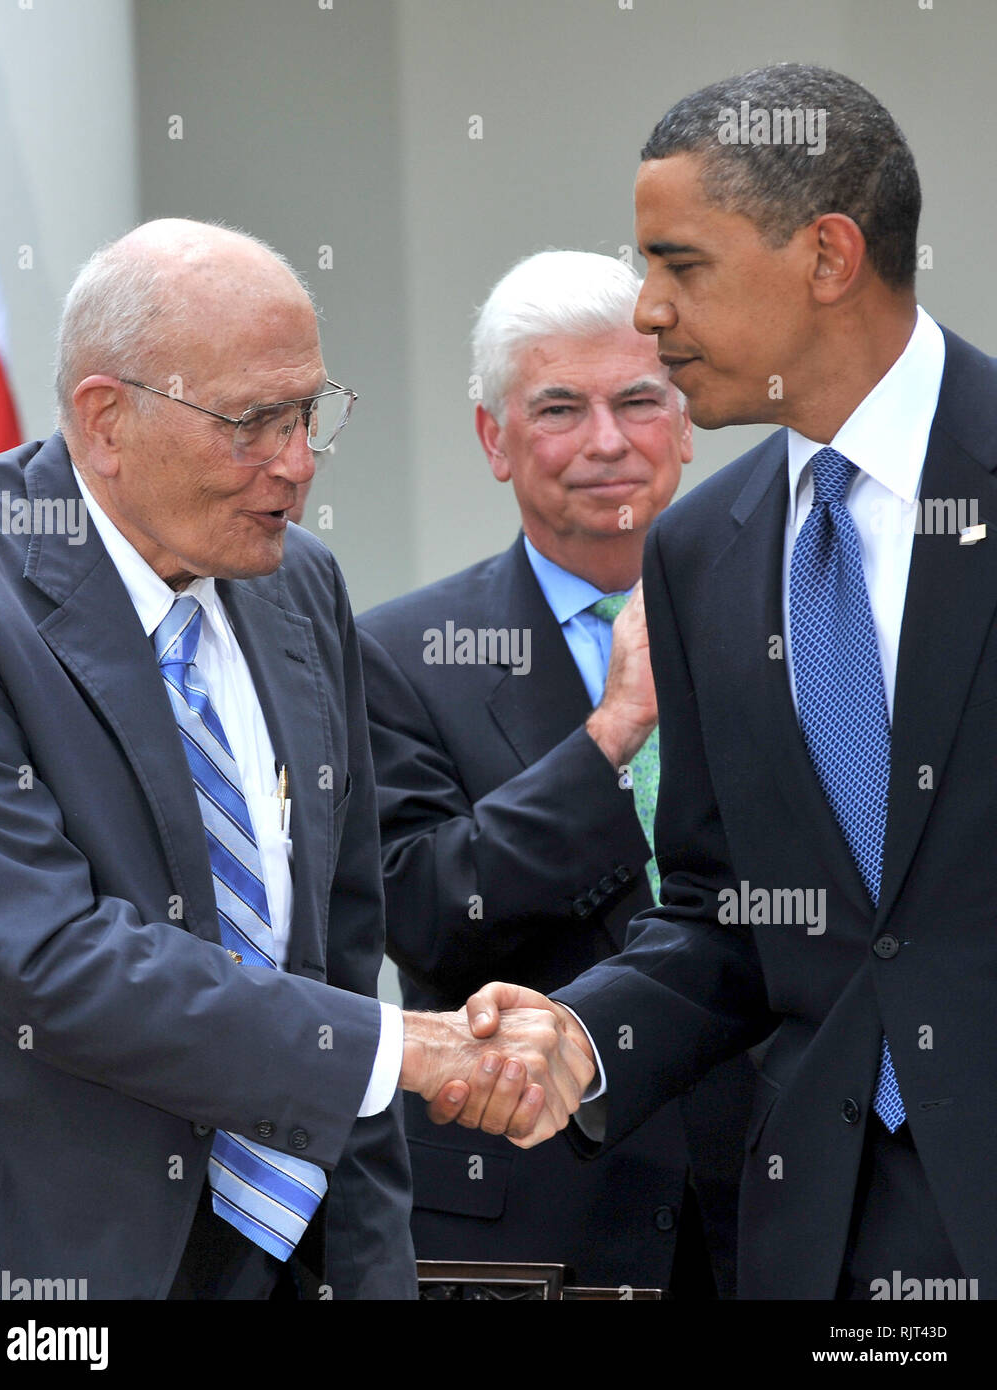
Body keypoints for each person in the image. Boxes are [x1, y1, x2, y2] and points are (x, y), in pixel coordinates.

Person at [441, 63, 997, 1300]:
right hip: (819, 1234)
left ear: (828, 254)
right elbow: (721, 914)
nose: (645, 312)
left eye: (677, 264)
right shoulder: (700, 552)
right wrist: (582, 1037)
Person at [0, 218, 590, 1301]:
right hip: (64, 1270)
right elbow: (50, 959)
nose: (296, 465)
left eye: (308, 413)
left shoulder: (299, 585)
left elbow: (342, 952)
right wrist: (405, 1050)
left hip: (303, 1255)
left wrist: (372, 1267)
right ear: (106, 420)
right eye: (251, 423)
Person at [359, 250, 754, 1294]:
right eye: (558, 409)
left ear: (682, 420)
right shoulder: (397, 651)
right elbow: (422, 910)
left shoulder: (790, 617)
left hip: (771, 1187)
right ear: (494, 438)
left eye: (636, 400)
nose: (606, 442)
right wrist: (611, 732)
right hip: (530, 1208)